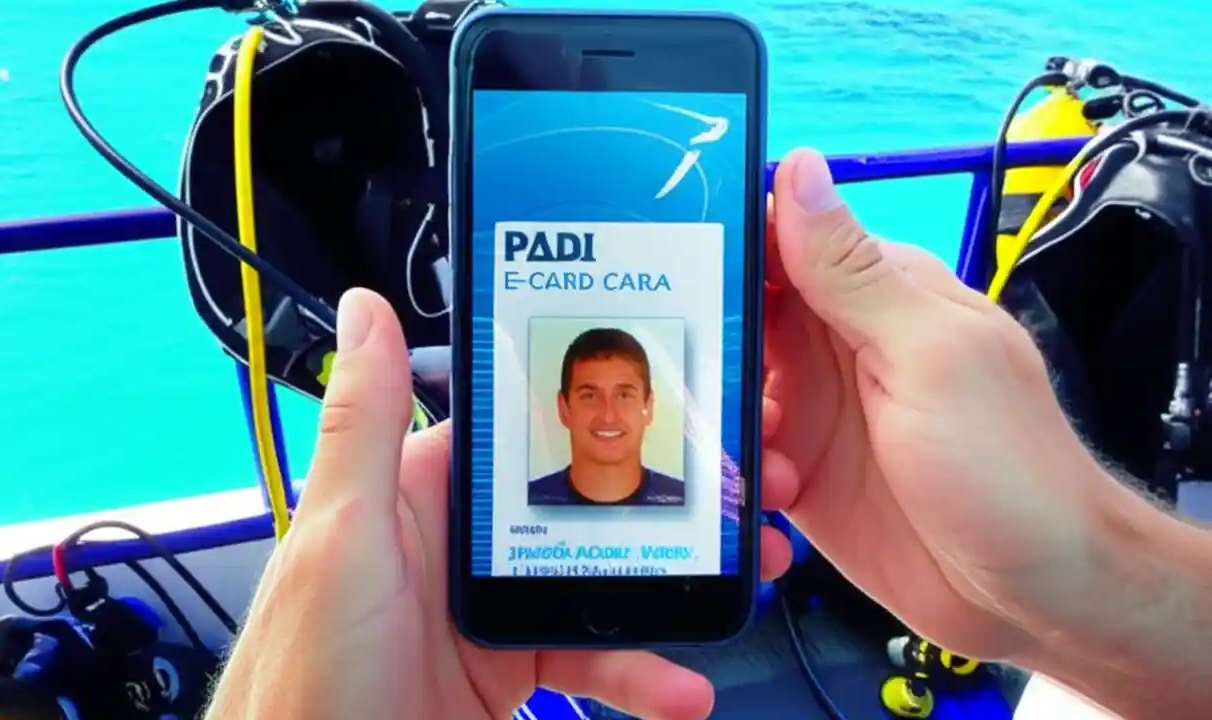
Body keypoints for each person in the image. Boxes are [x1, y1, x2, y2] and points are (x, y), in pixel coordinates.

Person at [203, 148, 1212, 720]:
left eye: (625, 395)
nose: (604, 415)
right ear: (558, 408)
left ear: (650, 407)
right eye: (583, 395)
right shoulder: (539, 500)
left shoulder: (681, 492)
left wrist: (1078, 589)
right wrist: (1094, 592)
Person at [528, 326, 685, 506]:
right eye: (589, 396)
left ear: (648, 408)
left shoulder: (688, 505)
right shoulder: (525, 505)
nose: (608, 416)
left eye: (624, 395)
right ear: (564, 409)